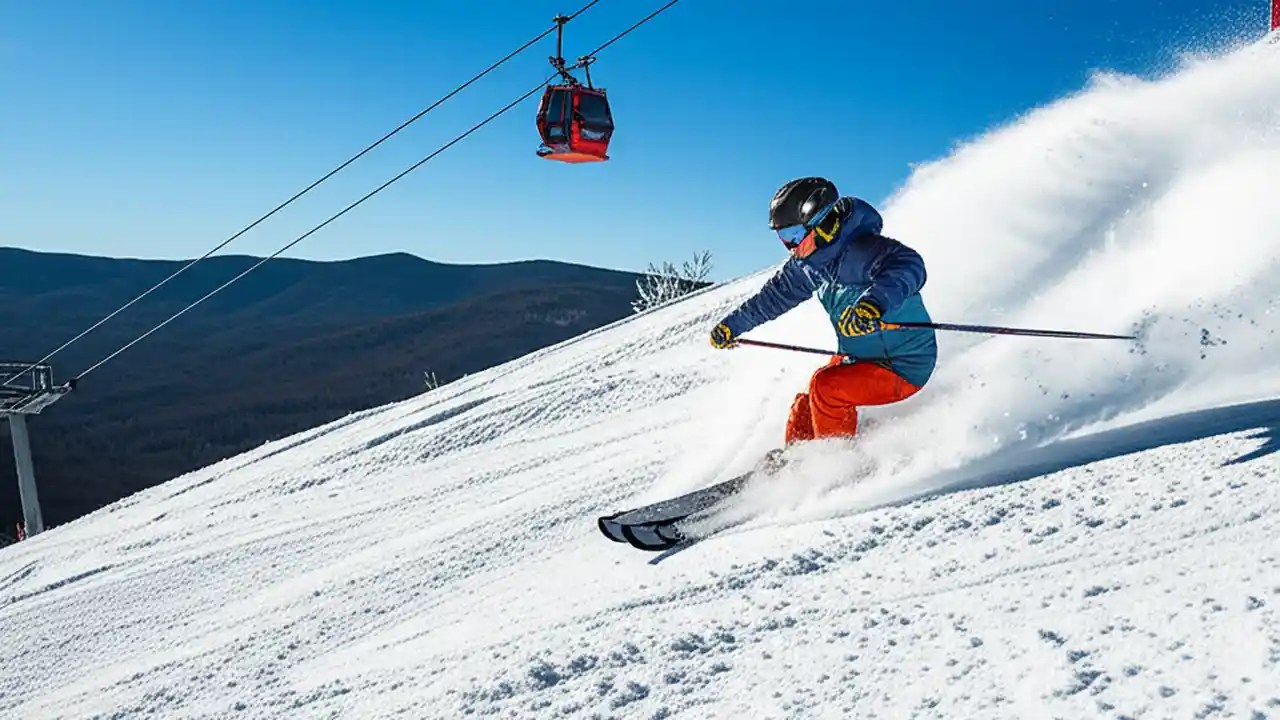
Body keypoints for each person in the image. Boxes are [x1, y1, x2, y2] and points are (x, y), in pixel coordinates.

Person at [709, 177, 937, 446]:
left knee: (827, 388)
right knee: (809, 398)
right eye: (783, 239)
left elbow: (908, 266)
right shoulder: (809, 266)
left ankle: (835, 465)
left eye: (793, 236)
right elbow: (771, 299)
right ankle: (799, 460)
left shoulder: (863, 250)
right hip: (860, 356)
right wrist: (732, 326)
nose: (791, 247)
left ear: (823, 223)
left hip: (902, 363)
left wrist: (872, 304)